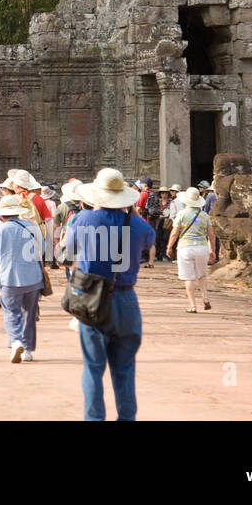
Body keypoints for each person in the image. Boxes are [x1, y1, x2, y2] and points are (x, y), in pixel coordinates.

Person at [71, 167, 156, 421]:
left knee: (93, 368)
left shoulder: (83, 220)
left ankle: (94, 418)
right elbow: (147, 244)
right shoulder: (141, 226)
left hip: (93, 298)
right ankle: (126, 417)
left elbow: (69, 250)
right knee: (125, 368)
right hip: (126, 299)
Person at [0, 194, 45, 363]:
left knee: (11, 312)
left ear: (2, 214)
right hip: (33, 277)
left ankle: (16, 341)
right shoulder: (32, 226)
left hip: (9, 278)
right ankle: (27, 350)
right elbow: (41, 250)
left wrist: (6, 262)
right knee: (29, 314)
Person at [168, 187, 216, 312]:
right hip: (201, 247)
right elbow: (211, 234)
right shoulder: (205, 216)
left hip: (185, 247)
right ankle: (205, 298)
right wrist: (213, 250)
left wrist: (169, 247)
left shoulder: (182, 214)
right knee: (202, 275)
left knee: (188, 277)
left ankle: (192, 305)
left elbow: (174, 233)